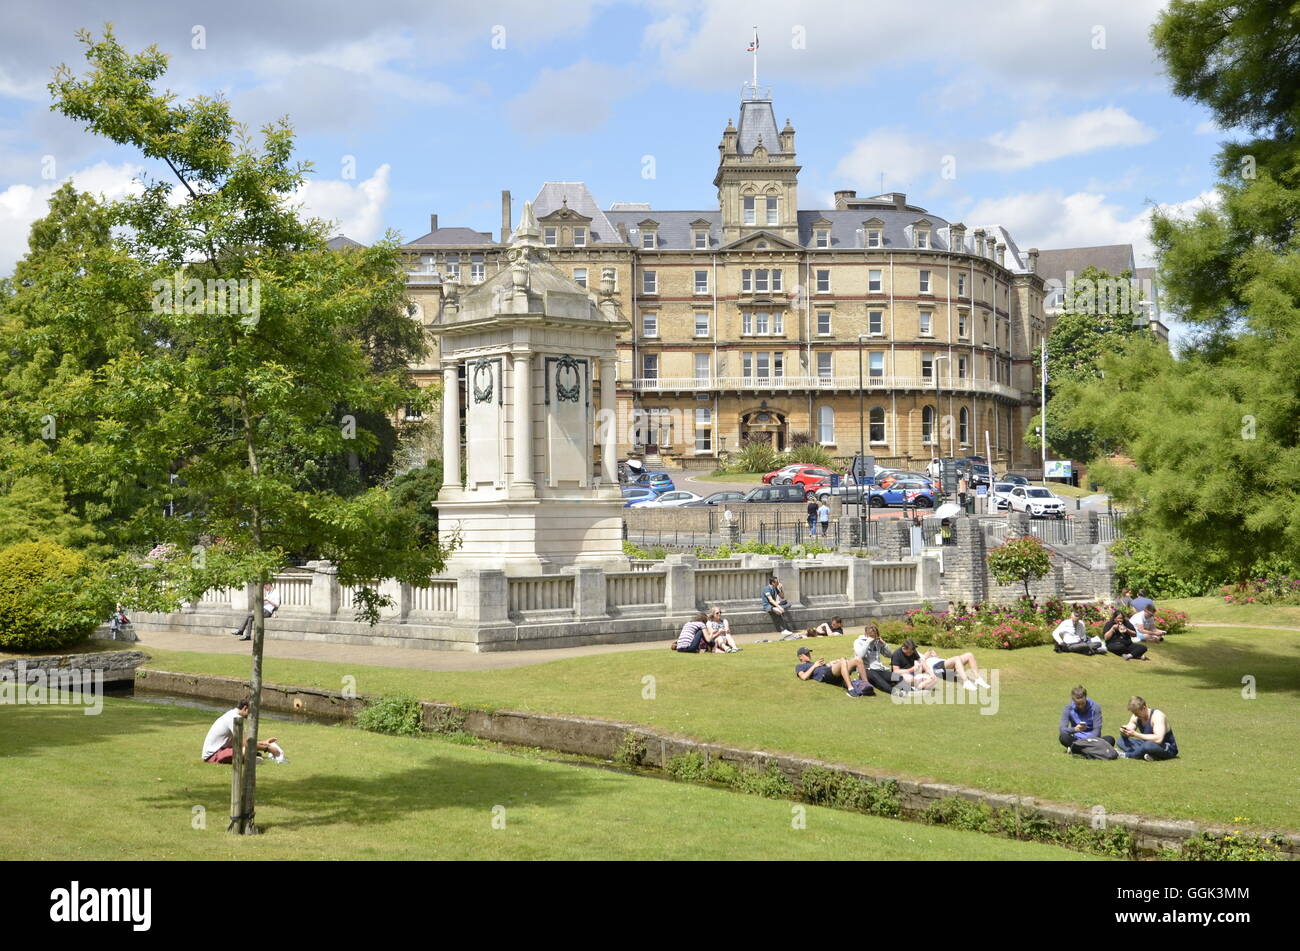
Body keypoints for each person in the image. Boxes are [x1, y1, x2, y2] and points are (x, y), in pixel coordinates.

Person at [202, 698, 287, 764]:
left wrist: (264, 742)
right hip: (213, 755)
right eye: (252, 711)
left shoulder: (233, 715)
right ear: (245, 708)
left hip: (221, 750)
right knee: (245, 750)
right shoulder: (233, 718)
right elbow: (246, 743)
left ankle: (250, 757)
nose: (252, 715)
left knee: (248, 751)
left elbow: (244, 741)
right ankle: (249, 758)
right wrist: (267, 748)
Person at [1118, 696, 1179, 760]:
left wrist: (1136, 734)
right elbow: (1130, 727)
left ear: (1144, 708)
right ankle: (1152, 756)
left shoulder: (1157, 716)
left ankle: (1128, 755)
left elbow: (1159, 739)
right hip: (1146, 744)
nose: (1136, 715)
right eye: (1134, 713)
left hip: (1166, 748)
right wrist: (1124, 731)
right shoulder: (1136, 716)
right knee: (1121, 741)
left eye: (1137, 713)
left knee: (1148, 745)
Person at [794, 646, 870, 697]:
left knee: (858, 659)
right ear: (800, 656)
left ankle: (867, 685)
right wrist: (815, 666)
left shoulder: (814, 663)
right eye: (806, 654)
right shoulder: (799, 666)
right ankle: (851, 690)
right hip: (825, 675)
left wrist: (833, 662)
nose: (809, 655)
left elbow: (828, 667)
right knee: (842, 661)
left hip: (830, 671)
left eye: (809, 653)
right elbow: (803, 677)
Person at [1058, 685, 1114, 752]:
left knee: (1110, 739)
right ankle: (1092, 750)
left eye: (1083, 703)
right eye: (1078, 704)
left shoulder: (1095, 707)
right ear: (1073, 700)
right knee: (1063, 737)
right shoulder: (1068, 708)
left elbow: (1097, 729)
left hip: (1093, 739)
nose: (1081, 706)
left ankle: (1078, 749)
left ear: (1086, 698)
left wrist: (1087, 741)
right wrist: (1075, 729)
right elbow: (1062, 729)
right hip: (1077, 739)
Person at [853, 623, 897, 694]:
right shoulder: (858, 642)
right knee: (879, 680)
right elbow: (860, 655)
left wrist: (884, 644)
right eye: (871, 635)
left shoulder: (877, 642)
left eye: (874, 635)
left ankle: (910, 689)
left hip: (879, 669)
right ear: (866, 634)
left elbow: (889, 655)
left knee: (898, 677)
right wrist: (868, 642)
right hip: (867, 670)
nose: (873, 637)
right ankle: (893, 691)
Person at [920, 648, 990, 690]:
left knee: (969, 655)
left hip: (944, 664)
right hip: (937, 668)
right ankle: (966, 681)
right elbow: (920, 668)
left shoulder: (927, 656)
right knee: (956, 658)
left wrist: (935, 655)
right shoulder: (919, 659)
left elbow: (931, 653)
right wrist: (925, 657)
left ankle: (978, 679)